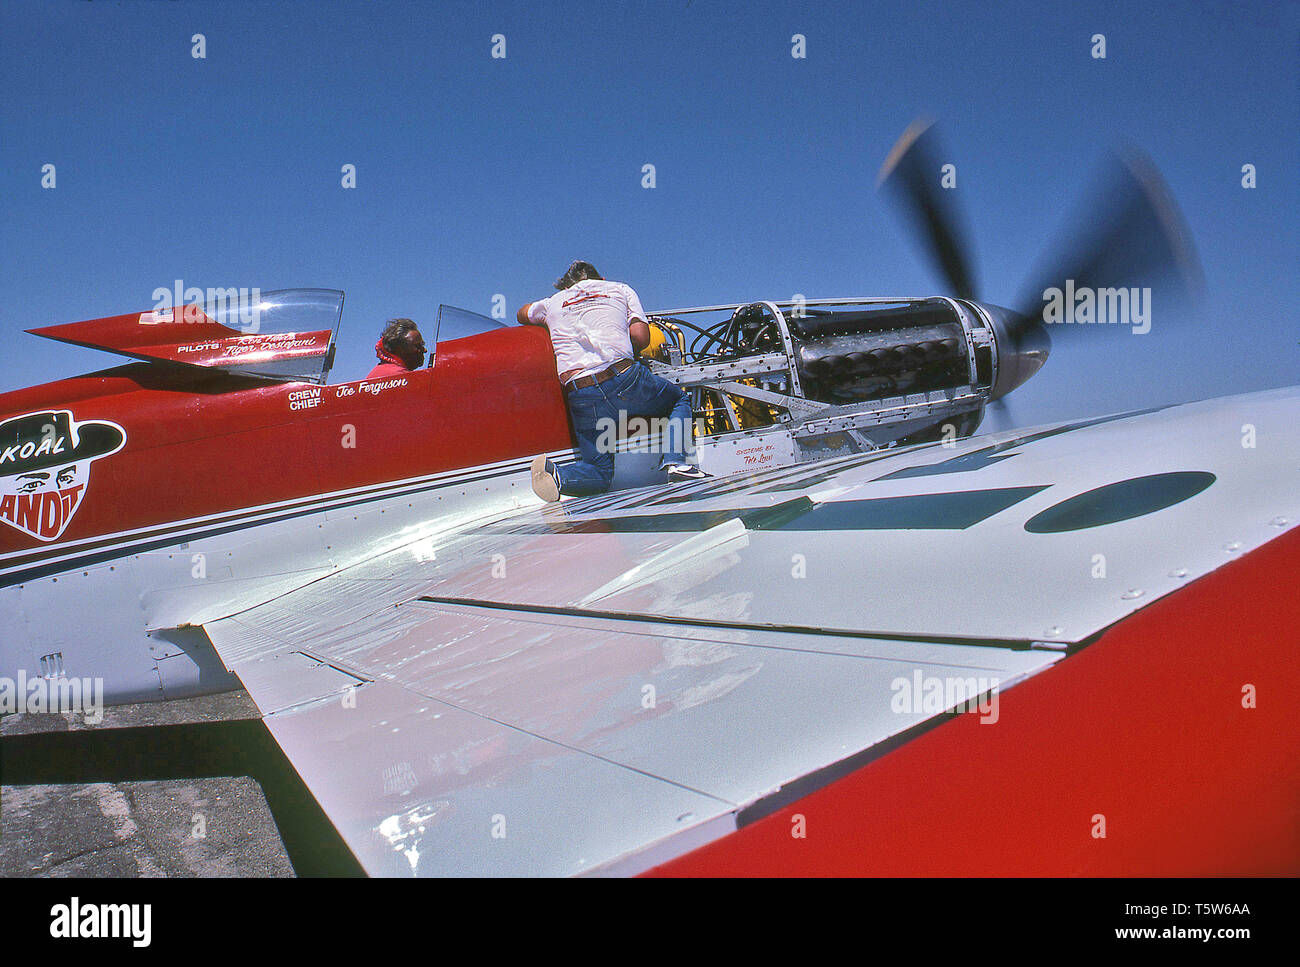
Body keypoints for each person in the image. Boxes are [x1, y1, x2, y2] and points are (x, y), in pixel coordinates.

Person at [519, 260, 709, 501]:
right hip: (623, 378)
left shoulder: (551, 302)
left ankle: (558, 476)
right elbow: (639, 338)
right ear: (602, 279)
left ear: (567, 284)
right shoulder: (620, 289)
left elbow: (521, 313)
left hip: (581, 392)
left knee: (600, 472)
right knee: (678, 400)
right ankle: (676, 463)